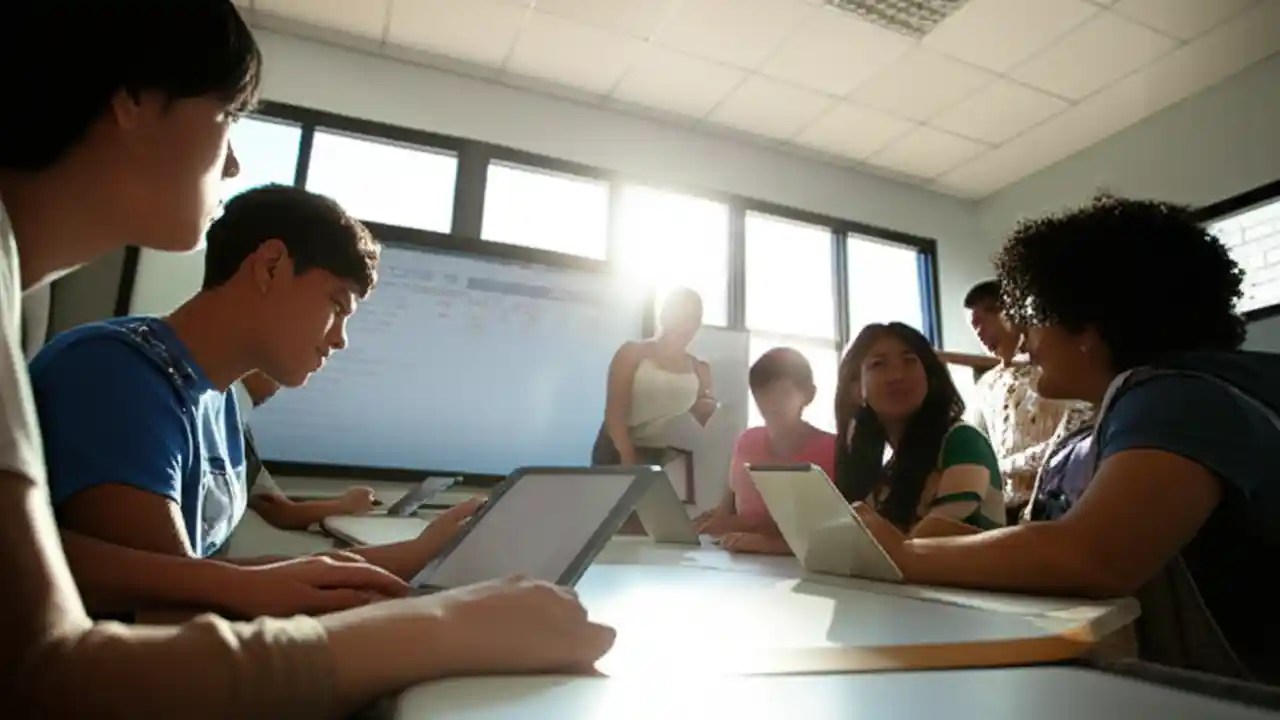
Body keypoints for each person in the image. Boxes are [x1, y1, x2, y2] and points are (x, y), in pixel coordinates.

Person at [0, 2, 612, 716]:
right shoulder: (117, 373)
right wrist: (441, 626)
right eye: (228, 115)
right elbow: (92, 646)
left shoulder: (219, 402)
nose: (232, 160)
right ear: (133, 99)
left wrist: (416, 566)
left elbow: (189, 583)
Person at [852, 195, 1278, 683]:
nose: (1024, 337)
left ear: (1087, 326)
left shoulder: (1178, 397)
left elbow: (1094, 557)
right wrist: (969, 544)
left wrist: (904, 556)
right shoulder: (1116, 414)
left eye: (1034, 314)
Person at [31, 184, 492, 612]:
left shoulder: (224, 405)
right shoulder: (115, 372)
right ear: (270, 266)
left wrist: (417, 553)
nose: (340, 340)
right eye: (336, 306)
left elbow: (206, 580)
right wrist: (412, 560)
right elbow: (170, 607)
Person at [835, 323, 1005, 537]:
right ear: (855, 390)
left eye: (909, 361)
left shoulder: (962, 440)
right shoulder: (886, 468)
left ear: (930, 377)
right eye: (878, 365)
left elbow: (932, 535)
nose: (897, 375)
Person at [945, 280, 1080, 518]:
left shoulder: (1054, 367)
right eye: (972, 327)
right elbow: (977, 442)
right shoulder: (985, 386)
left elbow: (1075, 436)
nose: (978, 333)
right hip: (1003, 511)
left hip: (1060, 500)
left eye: (980, 322)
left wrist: (1003, 467)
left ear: (1006, 312)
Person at [696, 347, 836, 551]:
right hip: (742, 562)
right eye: (762, 394)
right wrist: (703, 529)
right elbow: (727, 510)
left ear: (808, 395)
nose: (771, 403)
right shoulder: (747, 442)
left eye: (782, 393)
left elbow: (834, 535)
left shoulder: (833, 449)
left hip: (806, 569)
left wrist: (767, 542)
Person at [235, 370, 379, 531]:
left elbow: (279, 505)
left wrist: (344, 503)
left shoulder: (238, 428)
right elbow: (282, 514)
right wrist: (346, 505)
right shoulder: (229, 429)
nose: (278, 388)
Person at [593, 287, 717, 466]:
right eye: (680, 314)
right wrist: (628, 460)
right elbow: (615, 416)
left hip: (670, 457)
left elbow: (701, 428)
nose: (686, 324)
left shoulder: (701, 370)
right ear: (665, 315)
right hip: (620, 450)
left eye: (694, 319)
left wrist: (710, 410)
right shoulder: (631, 353)